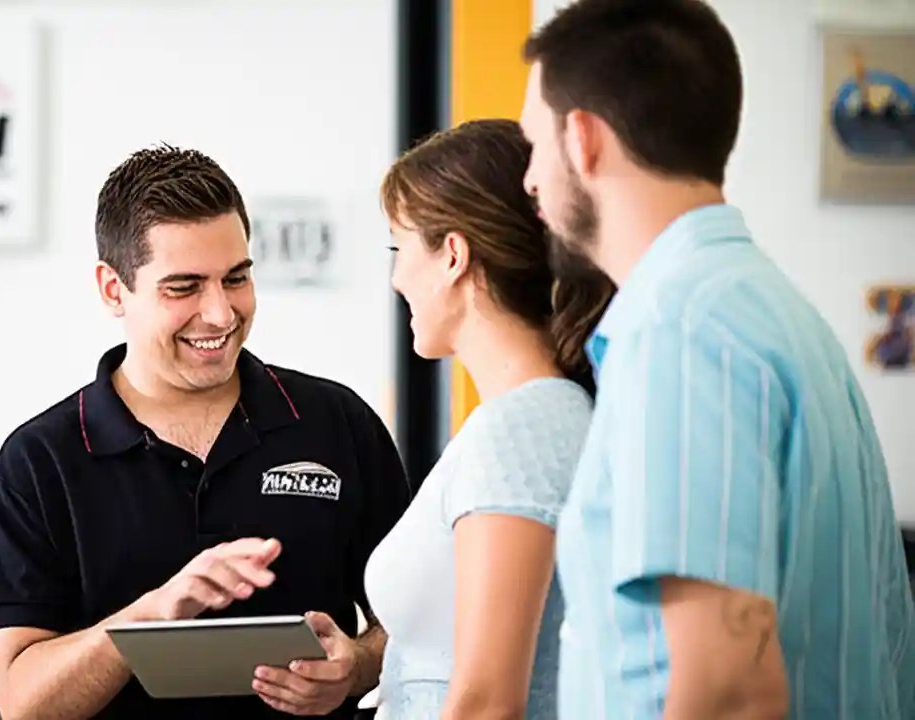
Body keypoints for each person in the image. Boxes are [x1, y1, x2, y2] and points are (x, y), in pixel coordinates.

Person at [518, 1, 915, 718]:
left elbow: (730, 688)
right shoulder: (778, 314)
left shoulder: (678, 329)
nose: (529, 183)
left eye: (532, 147)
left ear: (582, 139)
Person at [0, 145, 411, 720]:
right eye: (184, 287)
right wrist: (154, 615)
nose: (221, 314)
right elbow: (24, 703)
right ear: (113, 289)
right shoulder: (38, 464)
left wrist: (354, 664)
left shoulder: (337, 425)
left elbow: (416, 628)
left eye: (236, 278)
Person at [362, 119, 615, 719]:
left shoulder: (522, 430)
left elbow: (485, 705)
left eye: (400, 248)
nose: (397, 277)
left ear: (452, 255)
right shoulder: (536, 416)